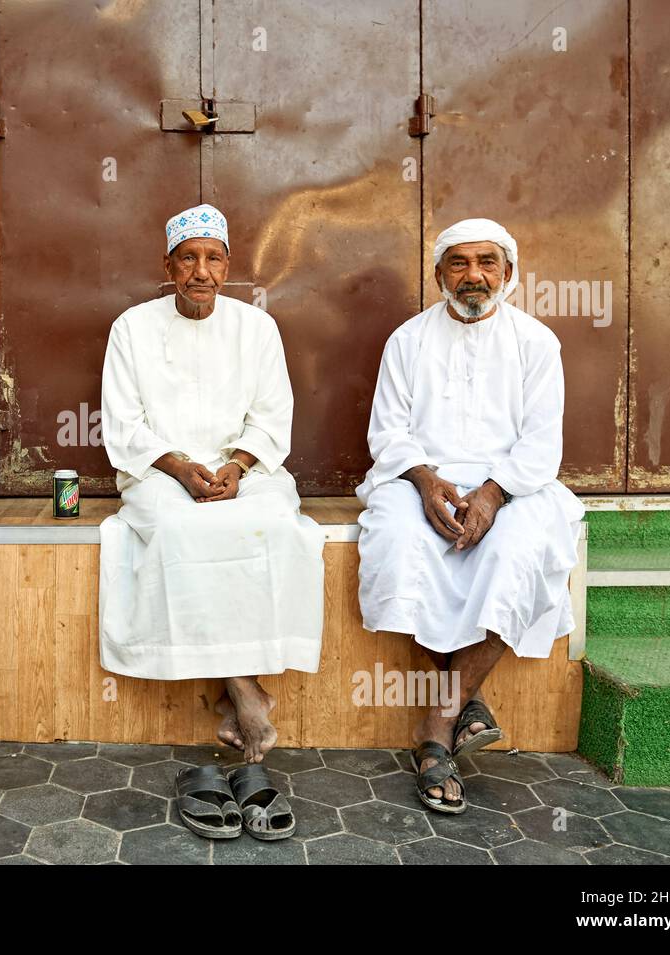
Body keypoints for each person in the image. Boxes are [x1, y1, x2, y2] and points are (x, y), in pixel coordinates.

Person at [356, 217, 585, 815]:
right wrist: (428, 483)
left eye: (487, 262)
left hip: (514, 485)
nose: (474, 274)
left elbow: (540, 446)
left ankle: (435, 730)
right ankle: (469, 702)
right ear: (438, 275)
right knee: (396, 545)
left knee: (517, 553)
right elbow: (389, 433)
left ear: (508, 274)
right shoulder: (407, 340)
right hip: (419, 479)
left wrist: (491, 494)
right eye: (458, 263)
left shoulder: (536, 343)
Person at [99, 203, 325, 768]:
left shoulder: (257, 327)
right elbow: (124, 423)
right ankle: (245, 692)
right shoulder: (132, 327)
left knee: (272, 526)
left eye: (214, 259)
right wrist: (178, 469)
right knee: (178, 530)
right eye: (188, 259)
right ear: (169, 265)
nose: (201, 271)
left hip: (244, 469)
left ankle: (238, 692)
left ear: (228, 267)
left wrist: (238, 467)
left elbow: (274, 415)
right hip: (157, 470)